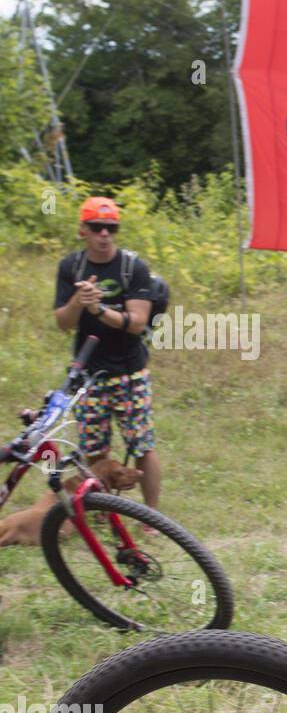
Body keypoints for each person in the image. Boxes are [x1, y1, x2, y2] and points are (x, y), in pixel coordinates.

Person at [52, 197, 163, 507]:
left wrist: (98, 309)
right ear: (83, 230)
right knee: (95, 449)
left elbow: (137, 323)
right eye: (97, 227)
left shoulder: (133, 268)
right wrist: (78, 301)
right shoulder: (70, 267)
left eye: (111, 228)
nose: (104, 235)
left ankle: (152, 518)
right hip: (89, 375)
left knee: (142, 446)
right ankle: (102, 509)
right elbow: (63, 322)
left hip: (129, 372)